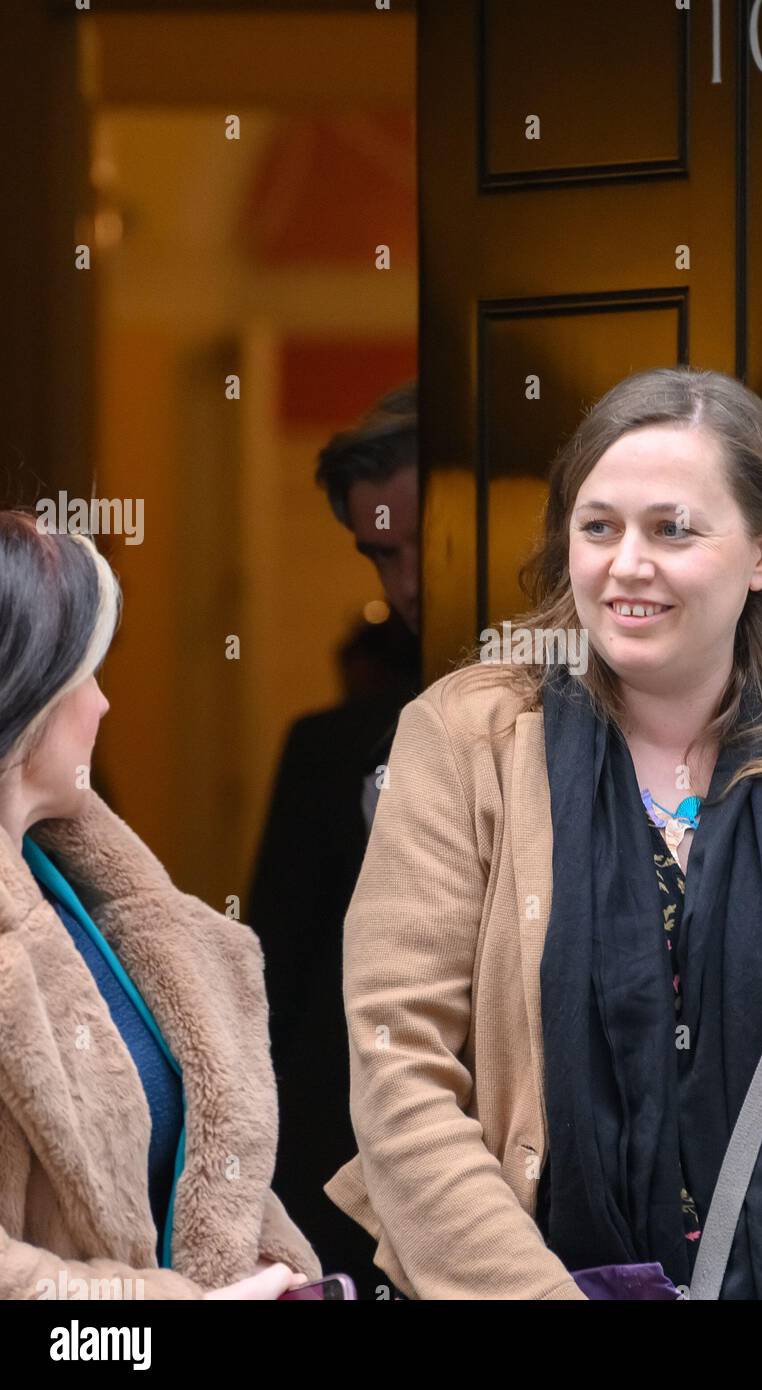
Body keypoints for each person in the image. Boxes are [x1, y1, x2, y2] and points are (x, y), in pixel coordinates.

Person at [324, 366, 762, 1300]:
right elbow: (402, 1080)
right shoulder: (463, 739)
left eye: (671, 529)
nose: (625, 563)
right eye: (598, 528)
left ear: (761, 553)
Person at [0, 511, 320, 1299]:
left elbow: (195, 1168)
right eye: (89, 673)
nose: (105, 705)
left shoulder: (76, 891)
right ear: (32, 688)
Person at [248, 381, 420, 1293]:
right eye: (380, 557)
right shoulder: (329, 752)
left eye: (423, 546)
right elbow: (279, 988)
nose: (407, 588)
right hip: (346, 1181)